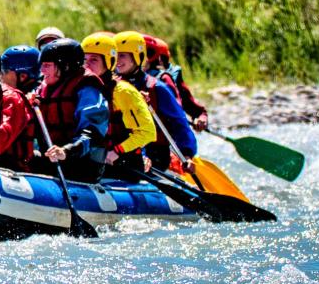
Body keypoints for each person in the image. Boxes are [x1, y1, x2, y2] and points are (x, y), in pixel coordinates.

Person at [115, 31, 197, 177]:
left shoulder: (156, 88)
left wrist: (187, 154)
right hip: (121, 150)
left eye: (123, 55)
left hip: (155, 153)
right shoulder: (110, 85)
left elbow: (179, 122)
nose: (117, 60)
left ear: (137, 57)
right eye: (115, 55)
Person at [34, 39, 111, 182]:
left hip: (83, 163)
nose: (42, 71)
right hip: (53, 157)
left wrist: (66, 151)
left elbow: (92, 133)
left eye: (47, 66)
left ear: (66, 66)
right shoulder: (44, 87)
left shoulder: (87, 88)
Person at [82, 31, 156, 177]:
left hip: (123, 163)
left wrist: (117, 151)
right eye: (85, 60)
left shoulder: (124, 91)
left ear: (109, 61)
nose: (87, 65)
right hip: (95, 160)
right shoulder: (86, 88)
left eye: (94, 60)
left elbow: (148, 132)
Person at [144, 35, 210, 132]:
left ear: (159, 60)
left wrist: (201, 118)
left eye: (148, 55)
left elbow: (194, 108)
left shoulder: (167, 79)